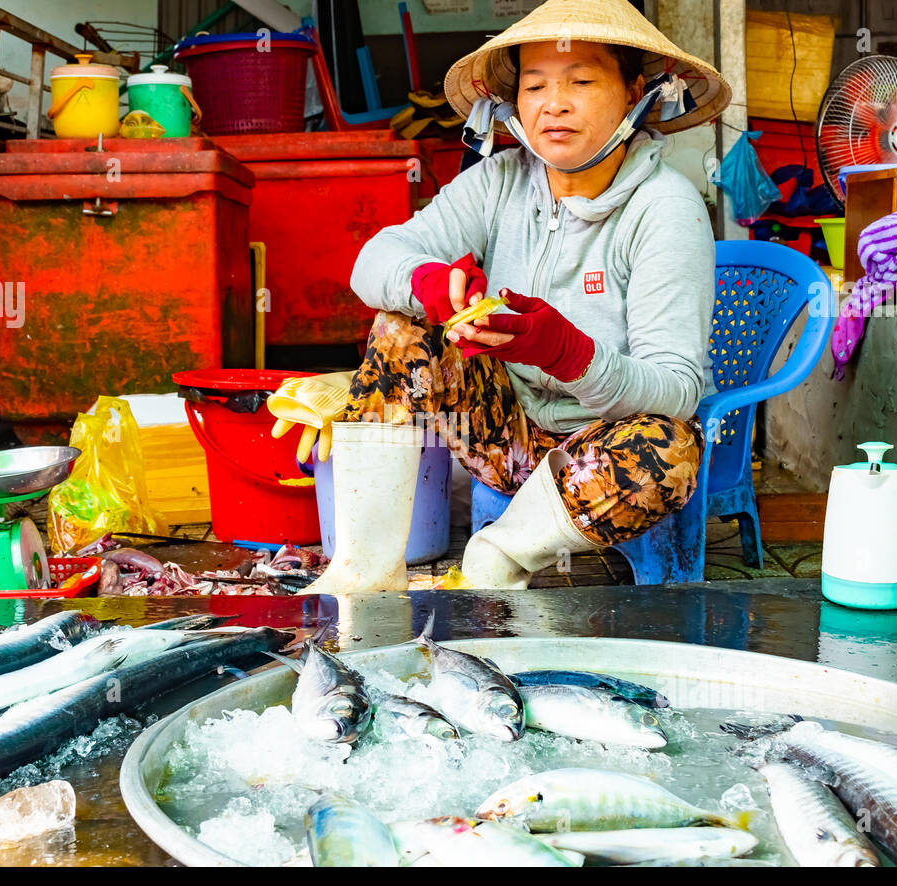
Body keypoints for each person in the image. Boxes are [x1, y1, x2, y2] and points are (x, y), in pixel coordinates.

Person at [280, 0, 732, 592]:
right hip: (500, 432)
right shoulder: (498, 180)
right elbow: (373, 262)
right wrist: (430, 287)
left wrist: (569, 354)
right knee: (399, 327)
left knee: (668, 450)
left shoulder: (665, 208)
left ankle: (495, 559)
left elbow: (677, 389)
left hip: (599, 451)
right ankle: (365, 568)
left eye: (582, 81)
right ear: (514, 102)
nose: (554, 103)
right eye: (536, 84)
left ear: (634, 92)